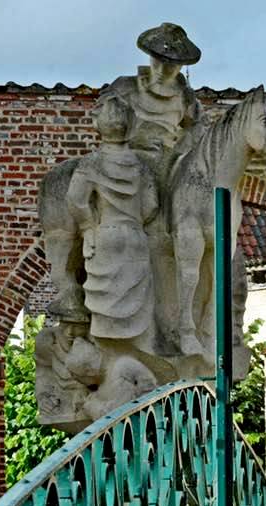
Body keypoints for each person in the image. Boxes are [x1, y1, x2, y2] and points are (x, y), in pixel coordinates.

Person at [67, 97, 160, 339]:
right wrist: (136, 222)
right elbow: (151, 204)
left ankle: (109, 346)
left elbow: (75, 199)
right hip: (136, 237)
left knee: (105, 303)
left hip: (105, 235)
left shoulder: (92, 163)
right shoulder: (141, 166)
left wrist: (88, 227)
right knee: (136, 303)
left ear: (98, 125)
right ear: (131, 126)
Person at [101, 22, 204, 185]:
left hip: (165, 164)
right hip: (127, 159)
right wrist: (135, 137)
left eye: (170, 65)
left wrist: (176, 151)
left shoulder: (186, 98)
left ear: (180, 66)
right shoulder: (125, 87)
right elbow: (104, 120)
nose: (161, 70)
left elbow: (196, 129)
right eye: (157, 61)